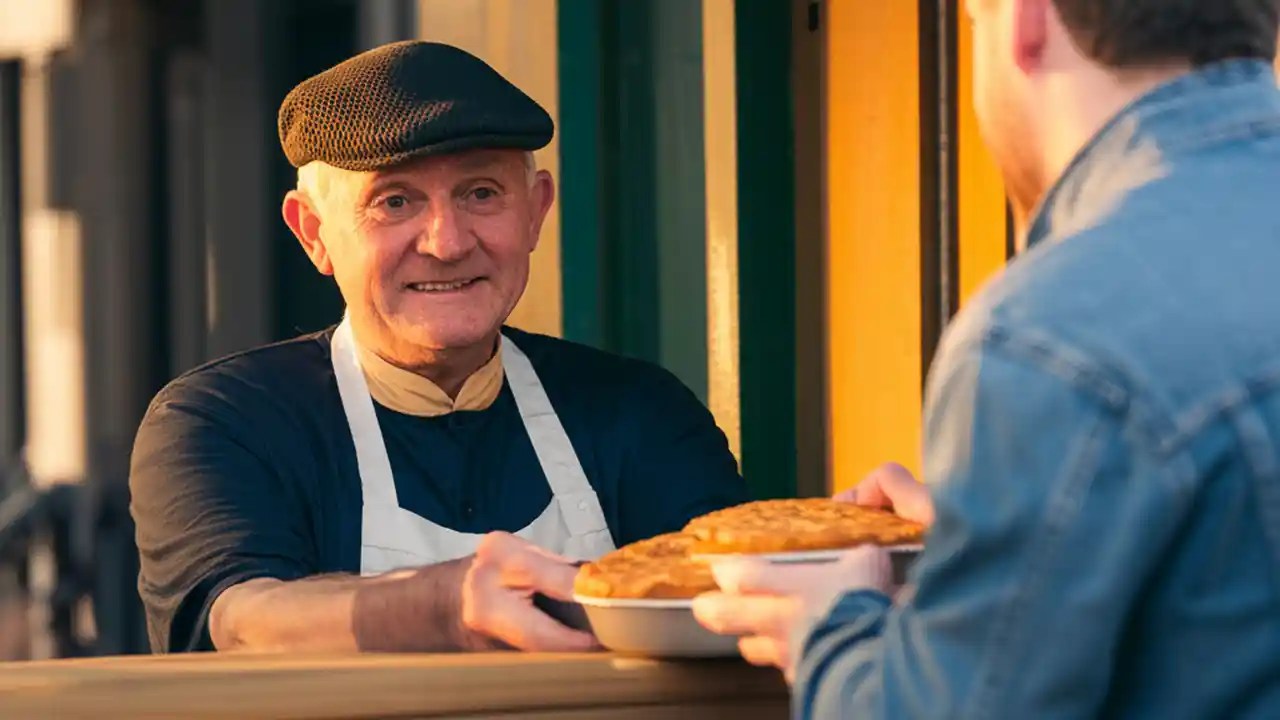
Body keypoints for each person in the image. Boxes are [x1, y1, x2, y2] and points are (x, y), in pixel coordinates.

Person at [694, 0, 1280, 717]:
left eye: (973, 23)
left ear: (1025, 19)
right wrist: (1021, 547)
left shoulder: (1051, 332)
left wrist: (834, 627)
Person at [129, 40, 746, 654]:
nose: (447, 243)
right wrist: (442, 609)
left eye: (481, 193)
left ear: (536, 212)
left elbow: (737, 602)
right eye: (395, 202)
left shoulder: (640, 412)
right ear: (313, 233)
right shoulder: (224, 422)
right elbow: (238, 621)